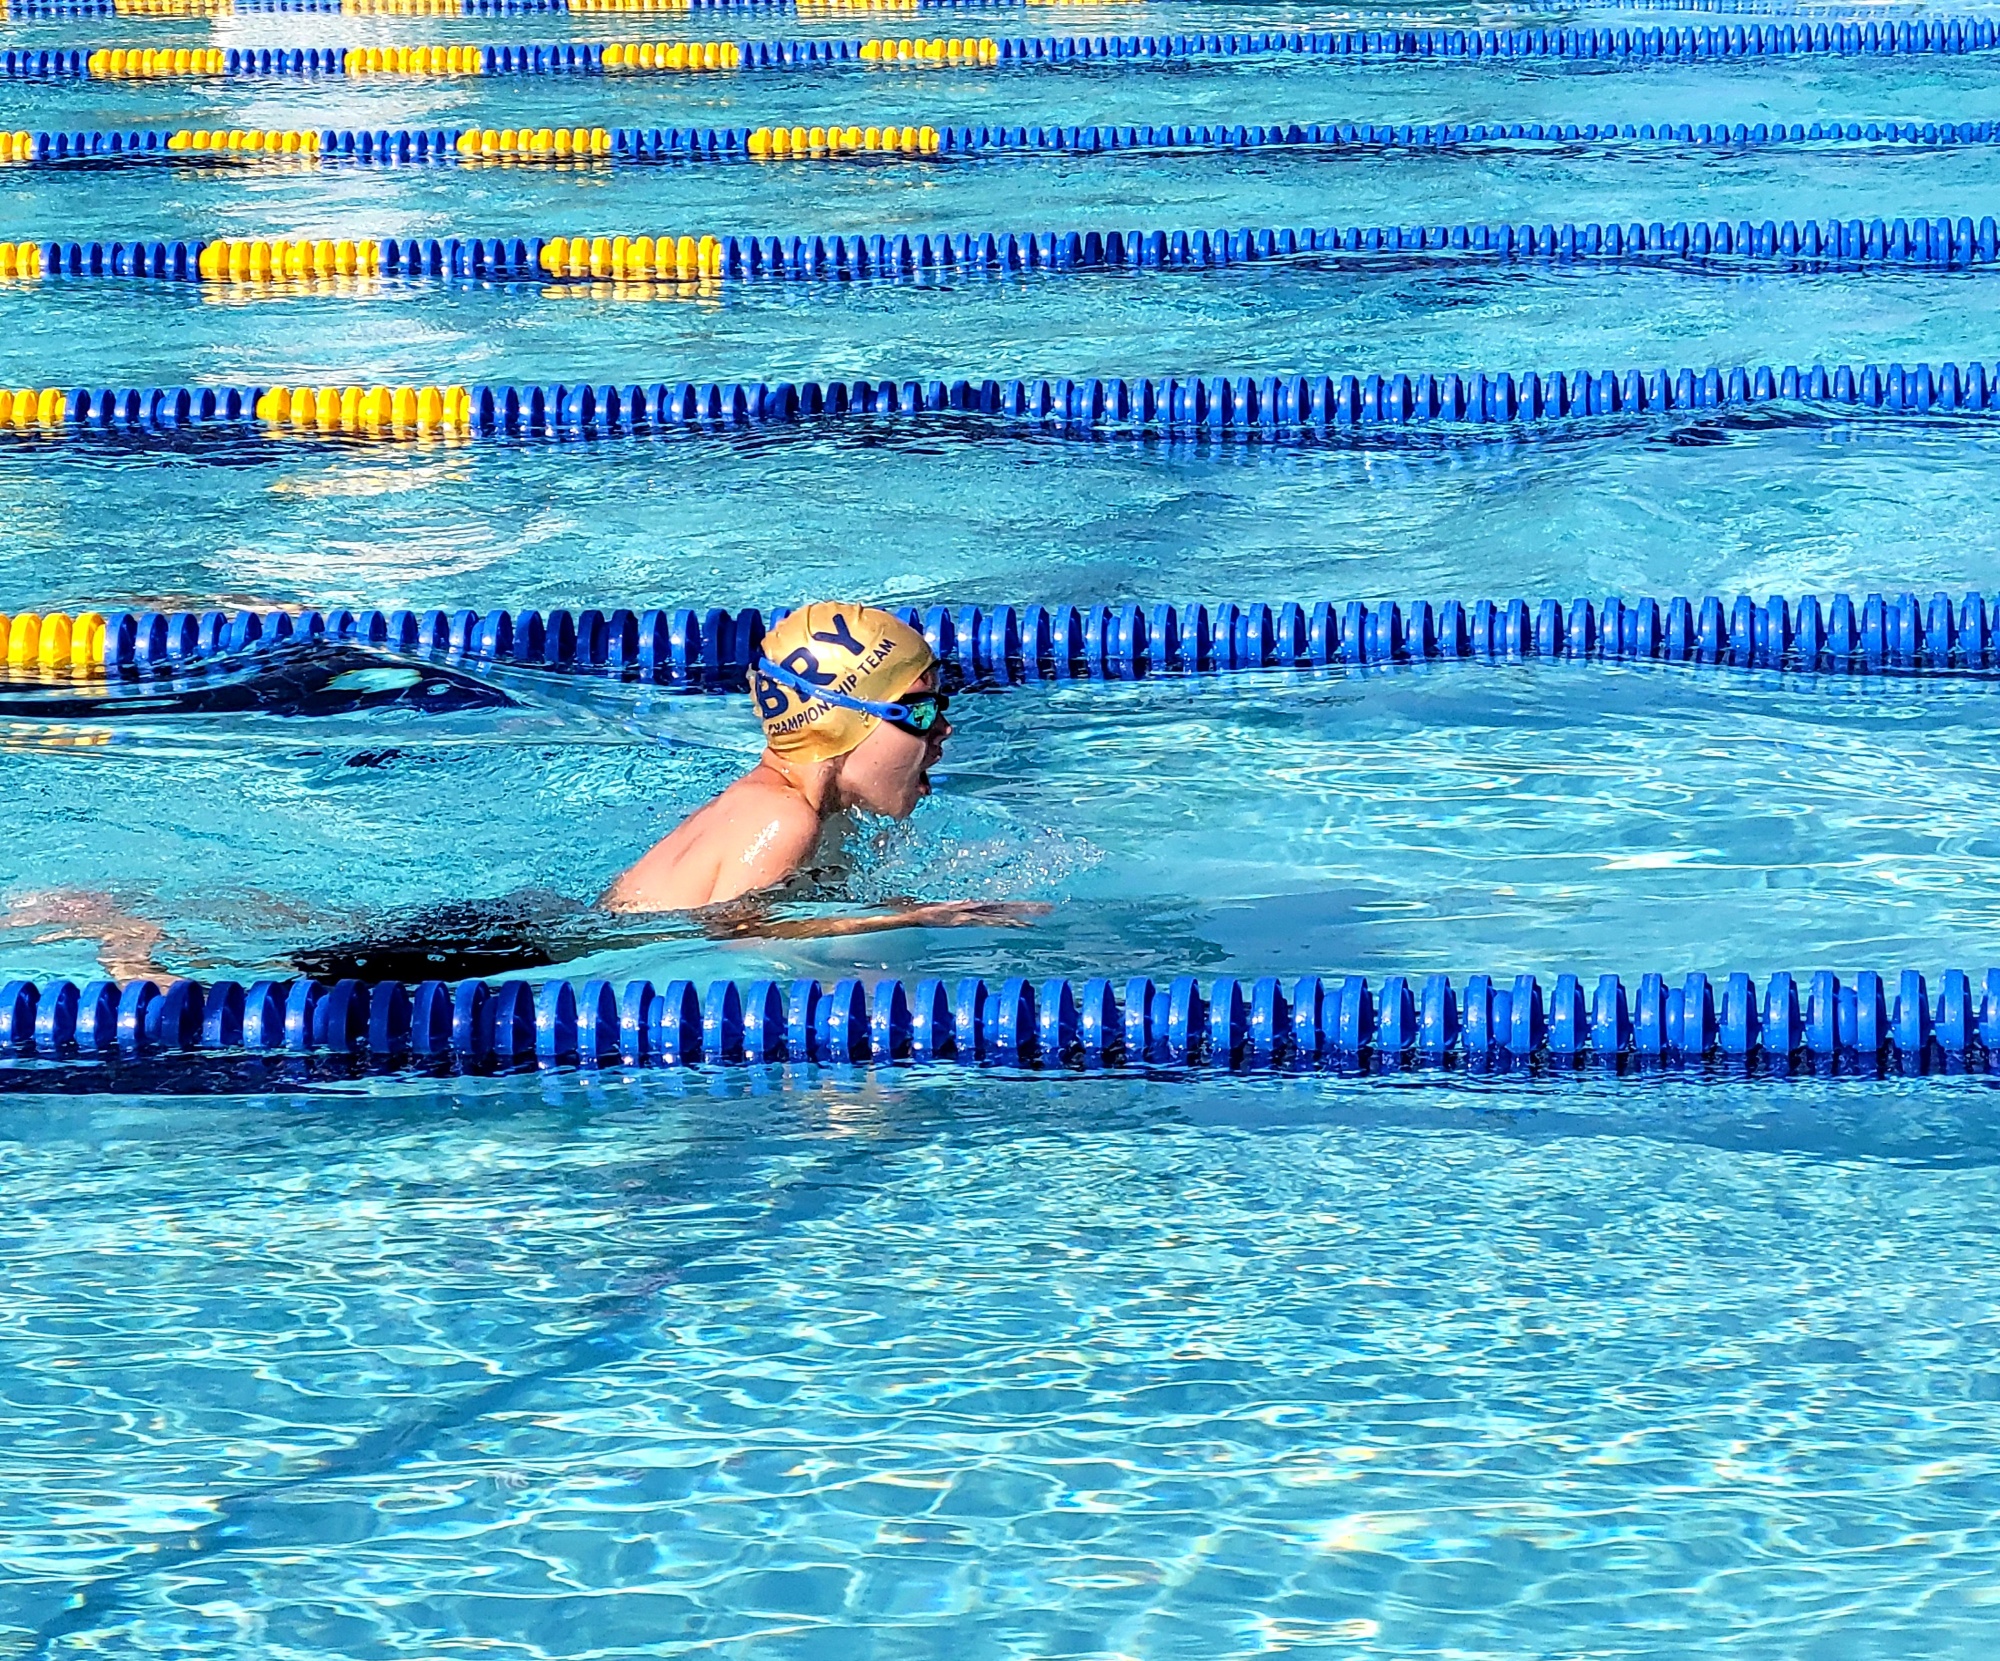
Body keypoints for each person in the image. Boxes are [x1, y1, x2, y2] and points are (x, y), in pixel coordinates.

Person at [4, 601, 1043, 982]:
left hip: (548, 926)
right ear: (841, 721)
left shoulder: (799, 805)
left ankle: (136, 915)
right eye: (920, 708)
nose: (942, 730)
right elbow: (737, 932)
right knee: (300, 965)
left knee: (323, 935)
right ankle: (128, 926)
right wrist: (919, 914)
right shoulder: (778, 813)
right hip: (528, 947)